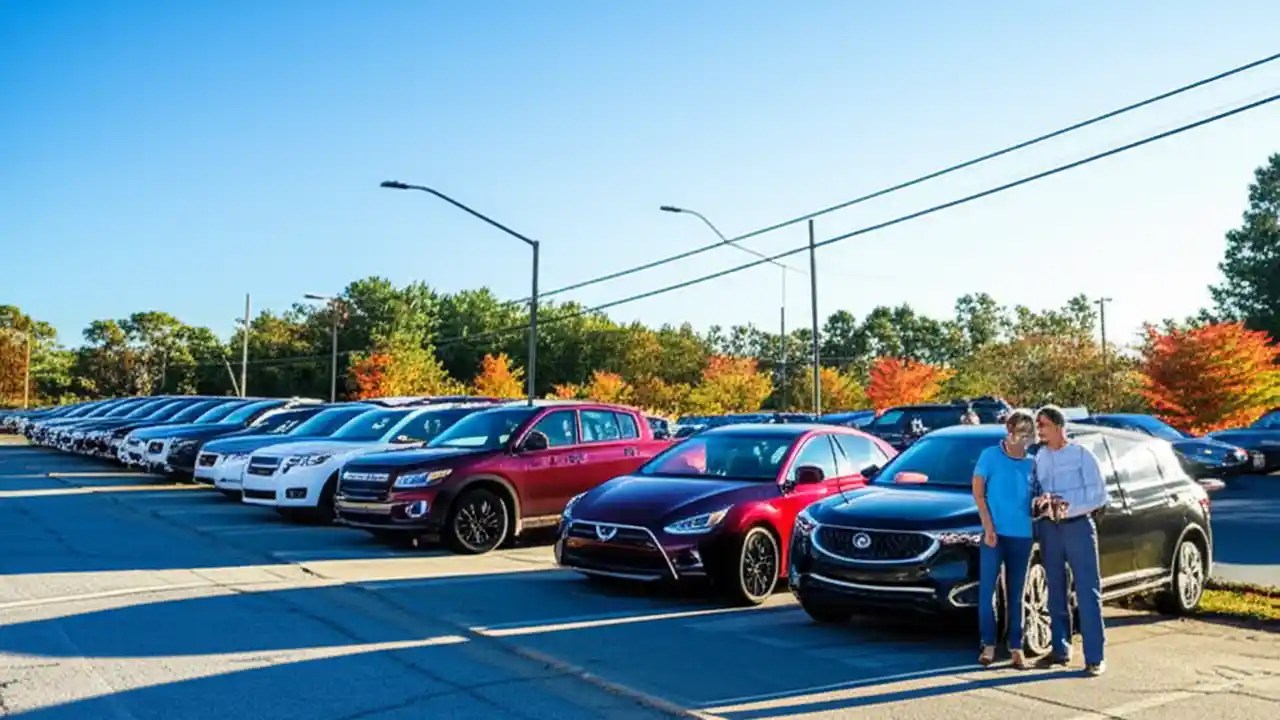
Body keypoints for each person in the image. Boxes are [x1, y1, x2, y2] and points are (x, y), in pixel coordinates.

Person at [1033, 405, 1109, 676]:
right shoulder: (1040, 456)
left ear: (1058, 426)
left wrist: (1068, 507)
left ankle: (1095, 656)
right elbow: (1039, 488)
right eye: (1037, 425)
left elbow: (1099, 495)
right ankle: (1060, 648)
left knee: (1088, 590)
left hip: (1077, 526)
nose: (1039, 430)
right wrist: (1042, 503)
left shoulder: (1081, 454)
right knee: (1055, 588)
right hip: (1049, 528)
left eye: (1043, 425)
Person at [972, 409, 1036, 669]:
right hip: (993, 534)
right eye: (1016, 432)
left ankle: (1016, 647)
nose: (1021, 438)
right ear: (1008, 432)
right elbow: (978, 493)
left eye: (1025, 433)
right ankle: (988, 644)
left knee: (1017, 593)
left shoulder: (1033, 463)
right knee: (987, 591)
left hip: (1023, 535)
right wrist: (988, 527)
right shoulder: (989, 456)